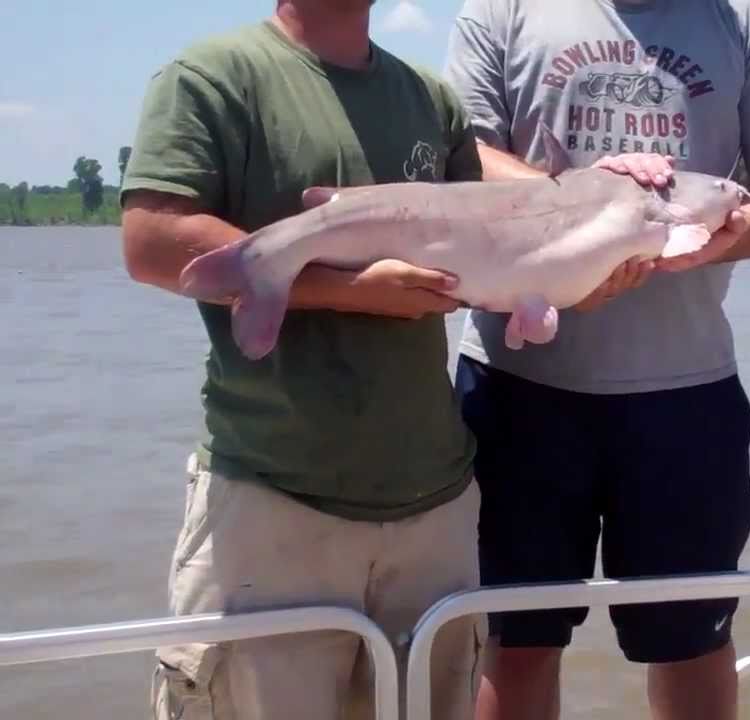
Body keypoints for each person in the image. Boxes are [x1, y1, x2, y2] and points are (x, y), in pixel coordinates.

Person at [441, 1, 750, 718]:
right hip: (520, 380)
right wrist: (600, 204)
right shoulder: (501, 9)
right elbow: (461, 157)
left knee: (692, 639)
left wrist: (720, 236)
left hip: (686, 394)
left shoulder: (748, 19)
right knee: (515, 638)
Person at [120, 1, 487, 718]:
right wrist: (351, 292)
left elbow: (484, 242)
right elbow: (154, 240)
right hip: (272, 501)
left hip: (436, 508)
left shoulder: (430, 98)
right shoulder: (213, 77)